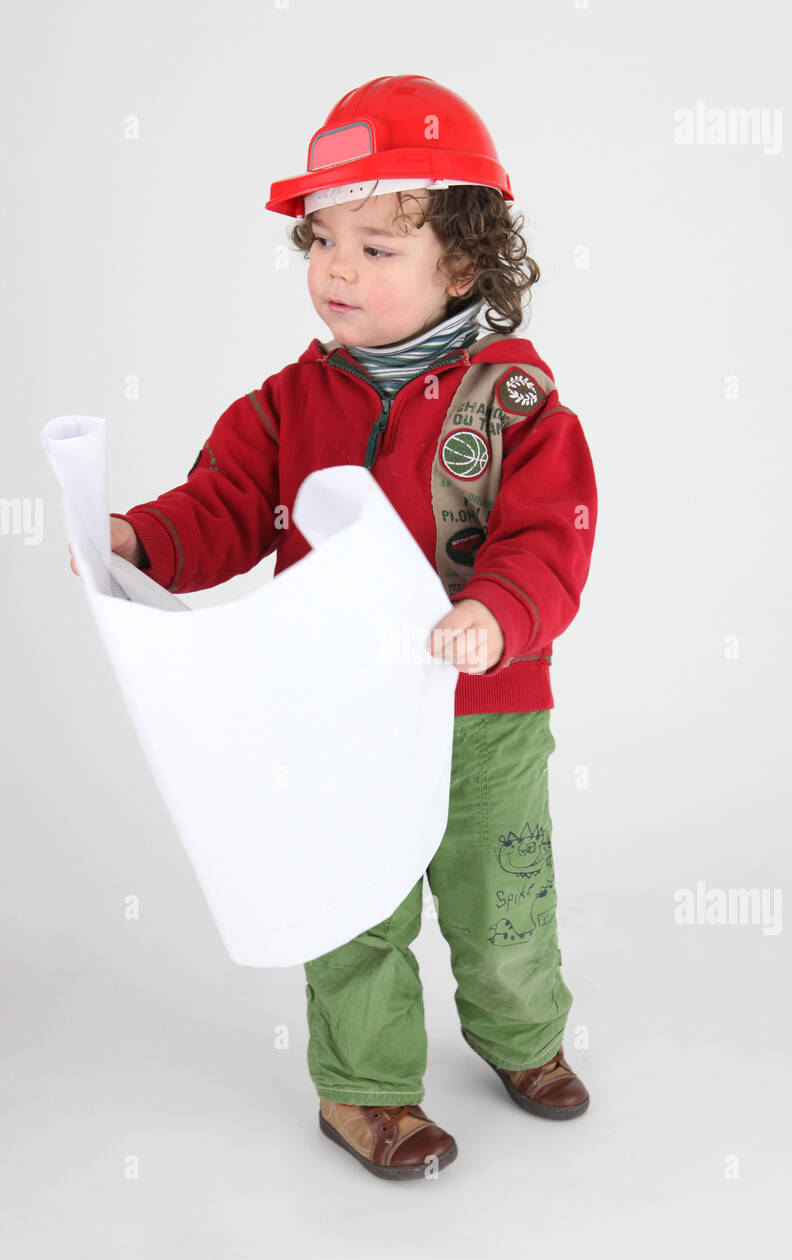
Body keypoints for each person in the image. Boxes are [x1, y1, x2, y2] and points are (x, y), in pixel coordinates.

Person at [70, 74, 599, 1182]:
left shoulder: (519, 410)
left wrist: (493, 612)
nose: (335, 270)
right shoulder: (286, 404)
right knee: (351, 905)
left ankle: (519, 1037)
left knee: (502, 893)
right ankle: (365, 1094)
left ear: (462, 264)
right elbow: (219, 509)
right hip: (335, 711)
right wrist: (134, 537)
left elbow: (549, 540)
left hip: (484, 714)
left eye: (375, 246)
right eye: (321, 242)